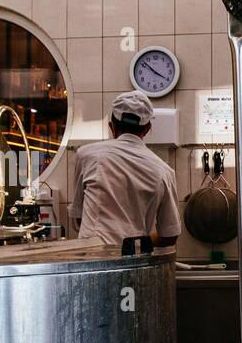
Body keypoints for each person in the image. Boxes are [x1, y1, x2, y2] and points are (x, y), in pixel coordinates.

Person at [70, 91, 180, 250]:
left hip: (92, 261)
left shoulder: (86, 155)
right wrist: (137, 241)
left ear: (111, 125)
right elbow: (169, 236)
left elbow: (79, 218)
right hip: (132, 263)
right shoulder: (164, 171)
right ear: (148, 129)